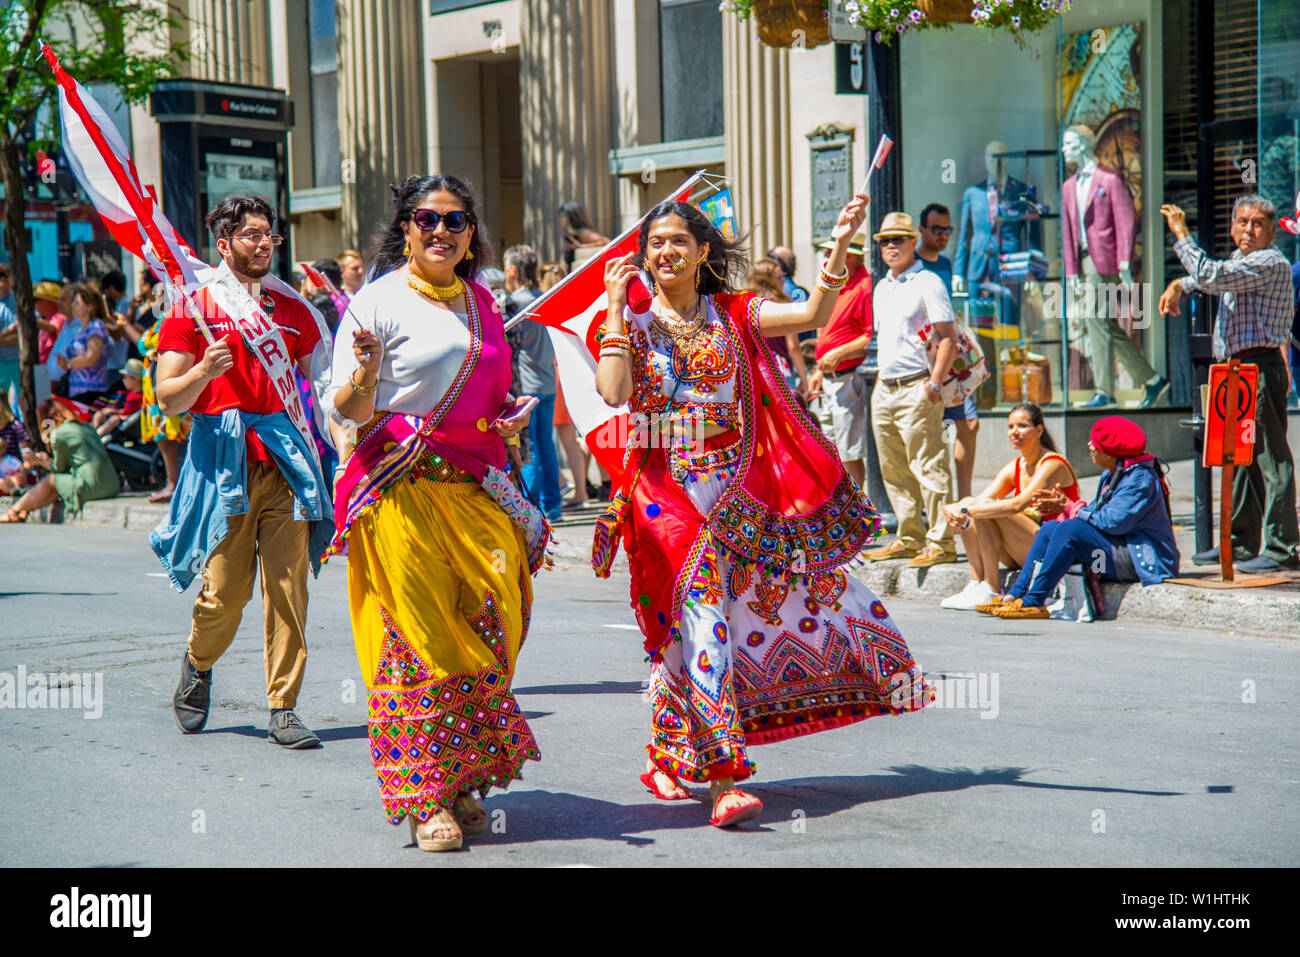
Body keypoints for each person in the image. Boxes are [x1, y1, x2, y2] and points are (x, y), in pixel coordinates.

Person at [593, 191, 931, 830]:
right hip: (665, 494)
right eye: (655, 243)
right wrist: (613, 309)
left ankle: (671, 750)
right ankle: (723, 776)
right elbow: (614, 395)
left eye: (679, 242)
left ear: (701, 253)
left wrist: (836, 242)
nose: (666, 251)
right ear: (642, 256)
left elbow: (810, 312)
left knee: (791, 597)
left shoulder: (735, 313)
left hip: (737, 489)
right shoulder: (628, 326)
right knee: (699, 617)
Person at [327, 174, 551, 852]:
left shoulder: (483, 302)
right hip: (401, 490)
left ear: (469, 233)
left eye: (455, 221)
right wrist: (365, 375)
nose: (441, 231)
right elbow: (350, 410)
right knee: (420, 641)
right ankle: (428, 793)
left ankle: (463, 777)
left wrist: (505, 420)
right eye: (427, 218)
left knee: (492, 619)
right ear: (406, 227)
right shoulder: (376, 302)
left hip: (477, 489)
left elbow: (483, 392)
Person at [151, 195, 334, 750]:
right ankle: (197, 663)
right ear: (224, 245)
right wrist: (203, 371)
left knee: (288, 590)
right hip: (223, 463)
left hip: (285, 464)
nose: (263, 244)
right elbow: (168, 399)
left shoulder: (294, 309)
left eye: (268, 235)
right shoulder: (193, 307)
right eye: (251, 235)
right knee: (225, 593)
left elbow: (329, 392)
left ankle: (283, 706)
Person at [1159, 195, 1299, 572]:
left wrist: (1181, 234)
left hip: (1257, 367)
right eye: (1242, 222)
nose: (1248, 230)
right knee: (1238, 460)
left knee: (1272, 459)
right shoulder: (1243, 261)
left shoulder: (1271, 262)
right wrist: (1180, 285)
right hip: (1235, 370)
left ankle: (1283, 547)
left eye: (1257, 224)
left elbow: (1213, 276)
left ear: (1272, 231)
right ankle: (1237, 544)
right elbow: (1214, 277)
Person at [987, 416, 1179, 619]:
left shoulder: (1139, 479)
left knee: (1071, 530)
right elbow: (1095, 515)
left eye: (1095, 443)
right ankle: (1016, 594)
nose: (1090, 446)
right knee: (1051, 529)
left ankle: (1034, 601)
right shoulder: (1113, 473)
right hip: (1106, 560)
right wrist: (1065, 508)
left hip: (1138, 564)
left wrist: (1071, 507)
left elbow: (1112, 523)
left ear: (1111, 451)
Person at [864, 212, 960, 568]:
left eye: (898, 240)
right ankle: (909, 537)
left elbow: (948, 337)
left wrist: (934, 384)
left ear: (913, 241)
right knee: (894, 468)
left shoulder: (928, 282)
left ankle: (941, 540)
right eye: (885, 241)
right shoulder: (883, 286)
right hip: (885, 387)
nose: (890, 246)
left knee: (928, 466)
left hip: (917, 385)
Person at [940, 403, 1080, 610]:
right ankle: (977, 583)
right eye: (1010, 426)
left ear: (1038, 430)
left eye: (1022, 426)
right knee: (976, 507)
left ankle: (992, 588)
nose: (1014, 432)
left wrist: (965, 510)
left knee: (982, 509)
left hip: (1051, 548)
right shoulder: (1016, 466)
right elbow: (976, 501)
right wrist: (952, 509)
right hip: (1021, 549)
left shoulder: (1052, 464)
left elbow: (1017, 505)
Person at [504, 244, 562, 520]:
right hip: (548, 381)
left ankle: (533, 505)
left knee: (530, 445)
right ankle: (553, 504)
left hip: (527, 384)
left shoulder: (515, 303)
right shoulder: (545, 296)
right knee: (545, 442)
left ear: (513, 271)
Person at [808, 233, 872, 485]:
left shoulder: (864, 287)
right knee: (834, 449)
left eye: (832, 251)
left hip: (849, 377)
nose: (826, 257)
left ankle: (860, 510)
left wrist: (838, 354)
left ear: (852, 257)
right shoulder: (839, 285)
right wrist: (820, 369)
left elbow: (871, 338)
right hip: (832, 378)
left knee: (849, 452)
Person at [119, 275, 188, 504]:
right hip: (154, 388)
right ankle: (173, 483)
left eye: (160, 296)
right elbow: (142, 342)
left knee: (177, 436)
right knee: (163, 435)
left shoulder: (177, 318)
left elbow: (155, 344)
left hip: (171, 384)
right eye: (156, 296)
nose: (155, 300)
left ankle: (177, 484)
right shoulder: (160, 321)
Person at [0, 397, 118, 522]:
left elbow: (59, 469)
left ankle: (12, 511)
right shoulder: (86, 427)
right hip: (111, 484)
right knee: (58, 486)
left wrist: (38, 461)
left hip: (91, 485)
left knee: (51, 480)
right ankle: (23, 511)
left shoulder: (59, 434)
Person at [744, 259, 809, 398]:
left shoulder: (746, 304)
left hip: (753, 369)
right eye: (779, 278)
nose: (784, 281)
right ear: (767, 281)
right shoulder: (782, 305)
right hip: (779, 369)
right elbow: (793, 347)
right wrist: (804, 379)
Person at [53, 284, 112, 403]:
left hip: (91, 391)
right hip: (78, 390)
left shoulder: (95, 326)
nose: (73, 305)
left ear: (89, 307)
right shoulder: (82, 329)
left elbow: (92, 356)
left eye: (77, 303)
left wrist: (69, 363)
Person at [91, 358, 145, 436]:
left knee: (114, 419)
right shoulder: (129, 394)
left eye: (126, 377)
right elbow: (127, 409)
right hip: (124, 417)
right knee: (100, 414)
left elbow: (133, 413)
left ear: (135, 379)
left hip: (130, 423)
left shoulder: (140, 396)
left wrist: (115, 412)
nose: (123, 380)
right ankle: (90, 433)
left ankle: (96, 437)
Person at [558, 200, 609, 268]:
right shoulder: (573, 234)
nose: (560, 220)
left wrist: (581, 246)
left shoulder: (583, 233)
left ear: (569, 218)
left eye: (562, 217)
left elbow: (607, 242)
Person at [33, 280, 67, 365]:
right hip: (46, 369)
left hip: (55, 370)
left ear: (50, 302)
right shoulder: (47, 319)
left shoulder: (59, 316)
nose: (35, 303)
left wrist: (30, 319)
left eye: (37, 299)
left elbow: (52, 328)